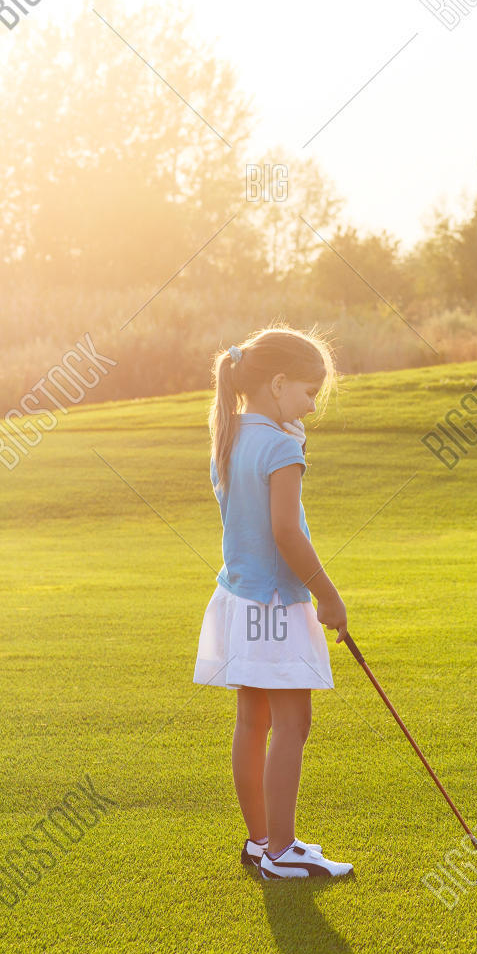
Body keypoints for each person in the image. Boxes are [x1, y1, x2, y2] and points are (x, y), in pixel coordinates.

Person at [193, 326, 354, 878]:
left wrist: (290, 428)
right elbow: (287, 532)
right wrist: (329, 597)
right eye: (309, 393)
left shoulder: (230, 434)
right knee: (293, 721)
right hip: (278, 606)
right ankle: (283, 853)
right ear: (279, 383)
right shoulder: (281, 446)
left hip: (240, 599)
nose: (312, 405)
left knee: (253, 719)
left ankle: (262, 843)